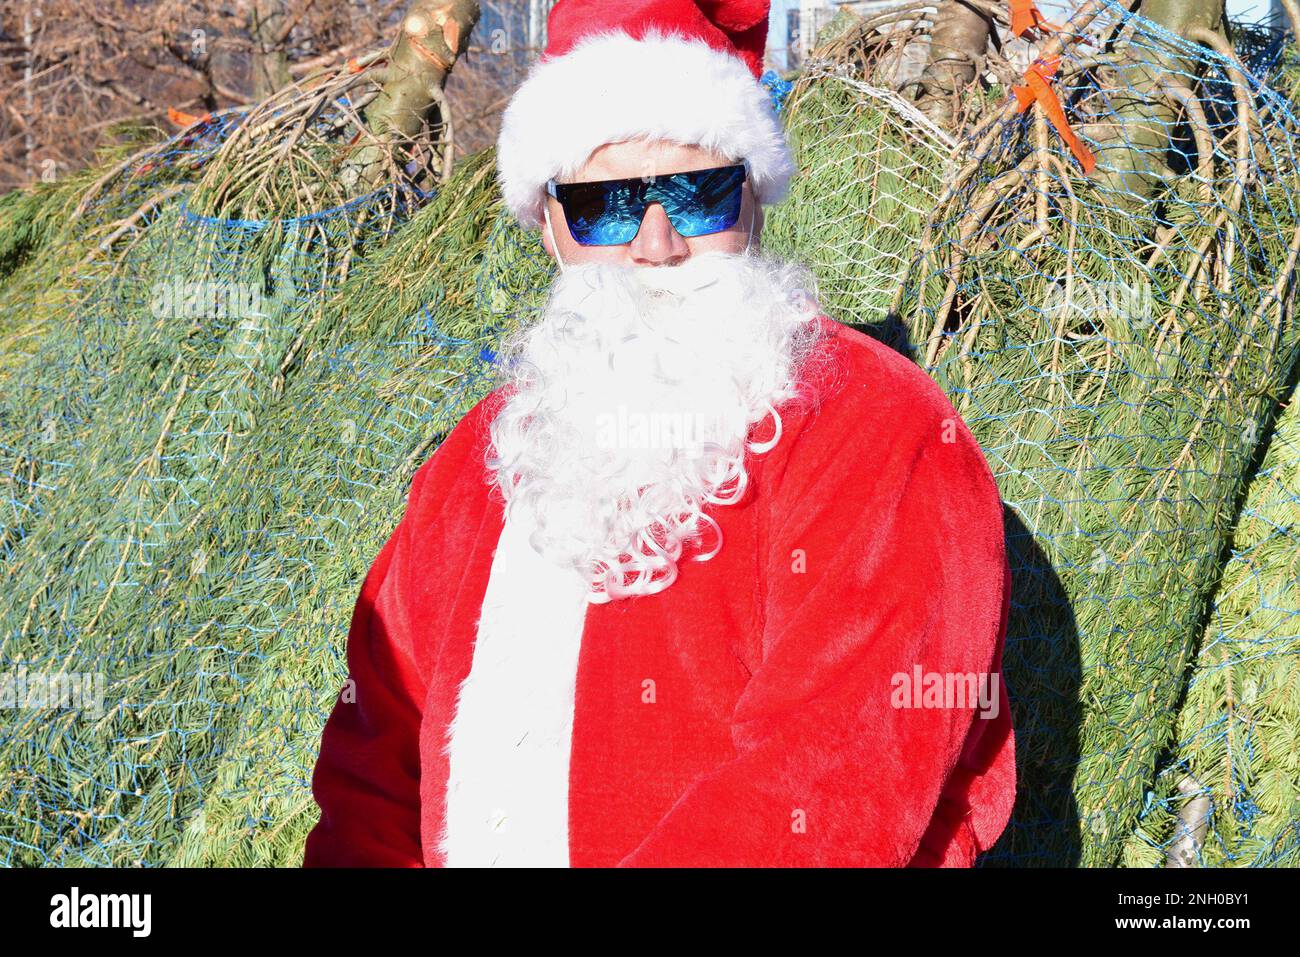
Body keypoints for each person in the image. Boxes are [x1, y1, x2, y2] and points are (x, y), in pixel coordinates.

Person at [304, 0, 1015, 868]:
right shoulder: (483, 457)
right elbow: (374, 761)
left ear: (751, 201)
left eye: (696, 192)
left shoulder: (877, 425)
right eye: (607, 207)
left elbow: (830, 784)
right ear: (552, 227)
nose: (656, 244)